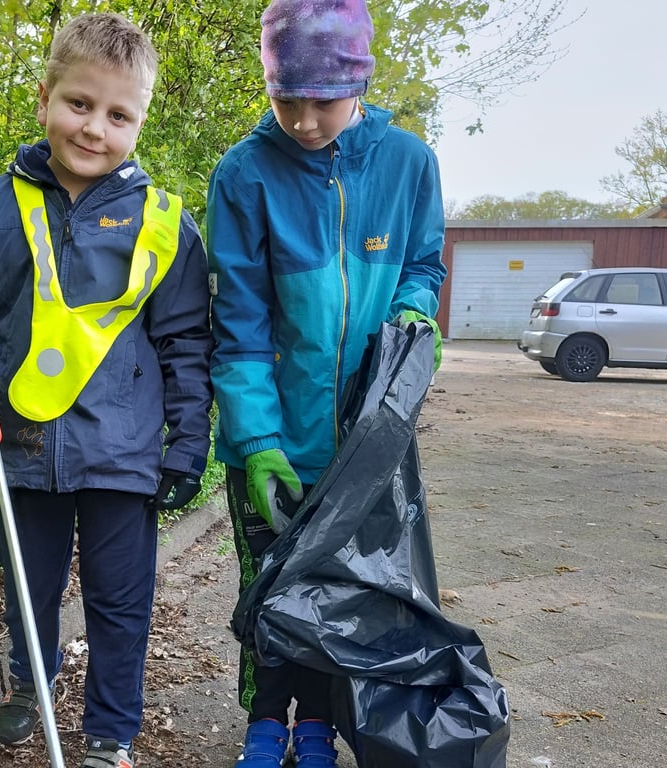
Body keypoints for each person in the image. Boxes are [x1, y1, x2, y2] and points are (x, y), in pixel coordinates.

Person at [0, 12, 213, 768]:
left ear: (140, 122)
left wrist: (187, 445)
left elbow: (186, 341)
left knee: (121, 601)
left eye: (118, 115)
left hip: (124, 452)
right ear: (45, 97)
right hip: (20, 442)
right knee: (29, 584)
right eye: (79, 104)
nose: (94, 129)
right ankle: (32, 683)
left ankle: (112, 733)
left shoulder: (164, 225)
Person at [205, 0, 447, 765]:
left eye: (323, 100)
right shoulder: (244, 174)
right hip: (277, 439)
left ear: (360, 81)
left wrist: (413, 317)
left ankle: (317, 722)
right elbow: (237, 321)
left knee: (346, 586)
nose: (304, 120)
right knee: (274, 583)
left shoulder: (409, 163)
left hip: (367, 442)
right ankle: (266, 721)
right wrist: (258, 442)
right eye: (286, 99)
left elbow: (424, 265)